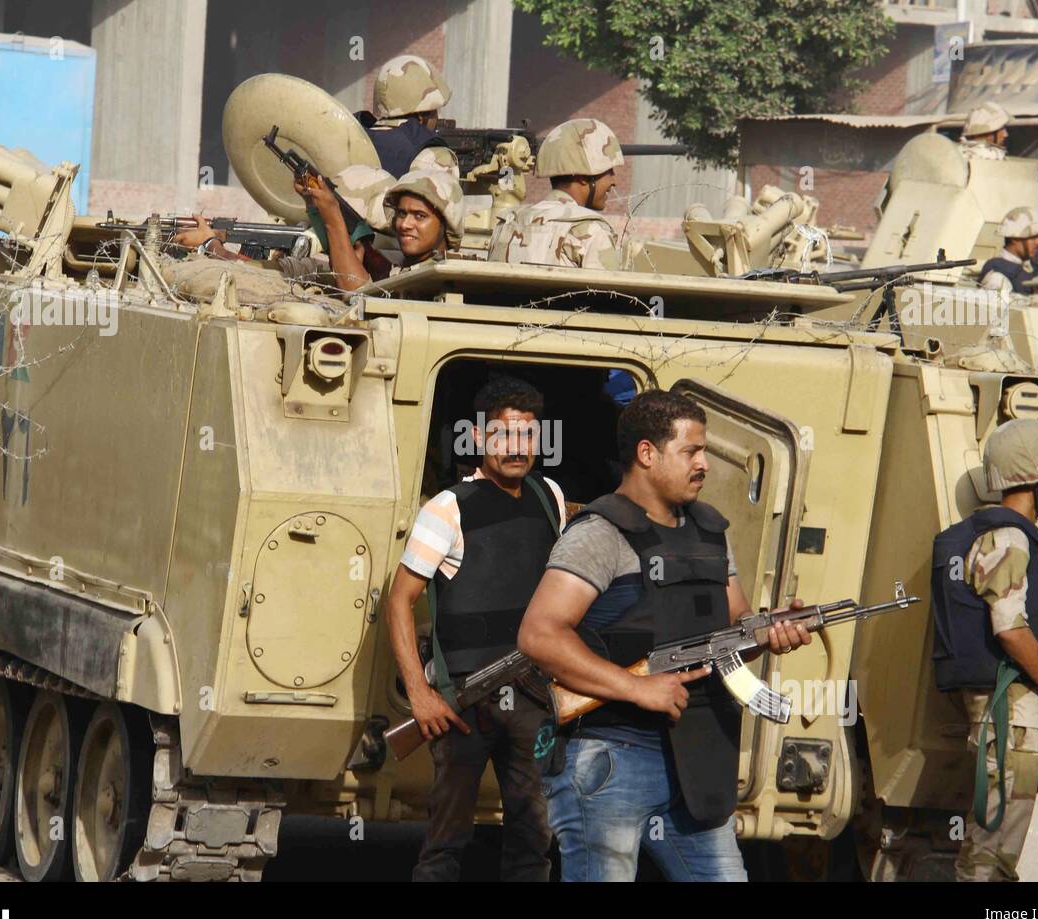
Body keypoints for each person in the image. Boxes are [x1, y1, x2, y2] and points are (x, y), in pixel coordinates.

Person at [516, 390, 811, 882]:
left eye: (705, 452)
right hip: (611, 757)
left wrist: (771, 631)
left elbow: (735, 626)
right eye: (691, 452)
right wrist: (636, 687)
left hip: (695, 761)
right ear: (647, 454)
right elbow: (539, 634)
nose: (705, 465)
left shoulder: (709, 532)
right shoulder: (600, 534)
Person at [387, 376, 565, 882]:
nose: (517, 448)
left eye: (528, 436)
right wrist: (421, 695)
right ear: (480, 439)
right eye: (504, 435)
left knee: (534, 841)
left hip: (534, 699)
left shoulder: (548, 495)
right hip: (464, 706)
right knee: (445, 846)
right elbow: (399, 601)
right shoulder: (447, 508)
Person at [930, 418, 1038, 882]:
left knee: (992, 854)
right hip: (1010, 719)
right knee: (990, 857)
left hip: (1014, 719)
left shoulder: (1005, 535)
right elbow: (1010, 629)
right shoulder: (1012, 538)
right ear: (1029, 478)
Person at [296, 167, 464, 291]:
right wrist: (314, 205)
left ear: (446, 223)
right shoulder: (399, 264)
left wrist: (333, 219)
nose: (405, 224)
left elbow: (359, 298)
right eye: (401, 213)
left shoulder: (442, 276)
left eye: (420, 216)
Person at [487, 118, 624, 270]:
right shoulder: (591, 232)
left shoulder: (506, 224)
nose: (614, 181)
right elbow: (607, 293)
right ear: (583, 178)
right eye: (609, 172)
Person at [362, 55, 453, 177]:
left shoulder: (354, 140)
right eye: (434, 111)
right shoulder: (431, 157)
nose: (437, 118)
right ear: (421, 116)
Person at [979, 207, 1038, 295]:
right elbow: (1003, 305)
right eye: (1033, 237)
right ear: (1015, 238)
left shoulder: (1030, 267)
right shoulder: (997, 274)